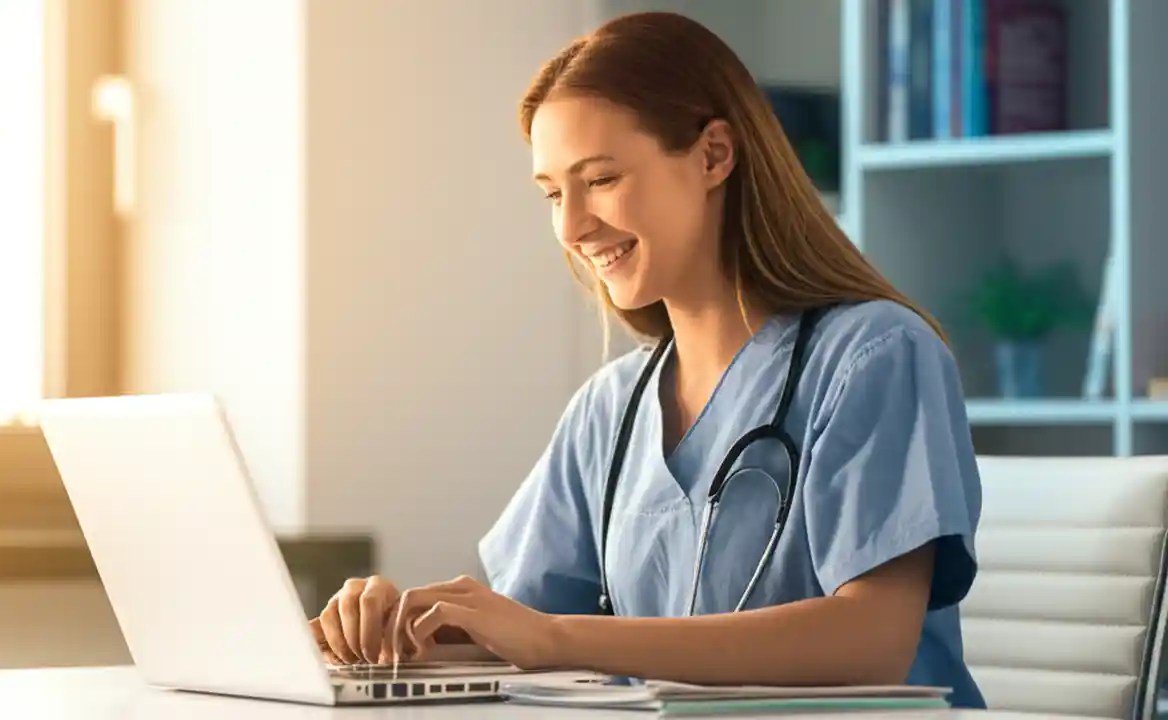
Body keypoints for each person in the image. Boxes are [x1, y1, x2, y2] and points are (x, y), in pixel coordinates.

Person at [310, 11, 985, 710]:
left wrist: (561, 640)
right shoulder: (612, 407)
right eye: (551, 194)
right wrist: (393, 631)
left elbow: (870, 641)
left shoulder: (874, 355)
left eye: (599, 179)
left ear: (713, 155)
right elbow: (521, 628)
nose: (570, 226)